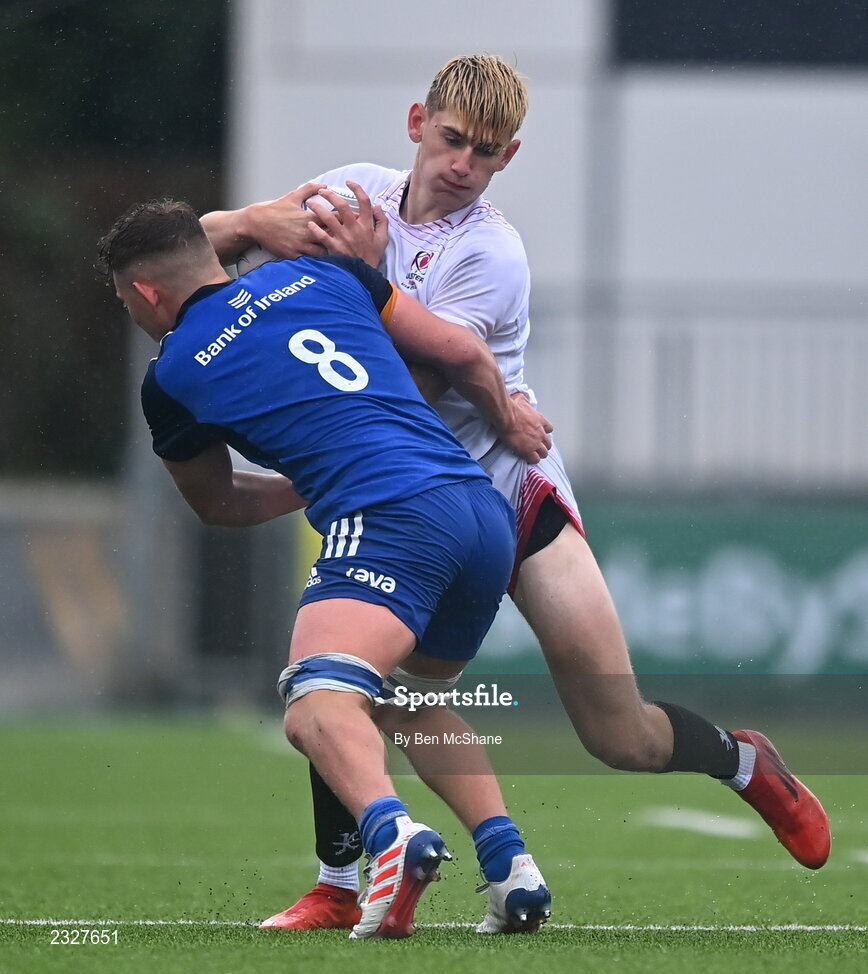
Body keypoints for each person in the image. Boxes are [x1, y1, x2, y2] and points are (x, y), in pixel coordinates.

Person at [201, 53, 831, 932]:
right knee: (361, 671)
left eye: (486, 152)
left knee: (620, 735)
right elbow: (197, 254)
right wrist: (249, 218)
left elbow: (410, 388)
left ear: (509, 159)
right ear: (418, 123)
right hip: (404, 493)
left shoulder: (490, 252)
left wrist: (365, 279)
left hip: (507, 492)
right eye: (454, 140)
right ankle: (340, 883)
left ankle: (744, 764)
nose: (464, 164)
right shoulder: (349, 193)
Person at [96, 198, 555, 939]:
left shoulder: (172, 374)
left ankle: (392, 839)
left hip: (389, 516)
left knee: (314, 703)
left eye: (126, 301)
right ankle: (511, 870)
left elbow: (217, 502)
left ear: (146, 293)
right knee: (401, 699)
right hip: (476, 508)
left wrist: (316, 479)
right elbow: (465, 355)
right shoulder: (328, 277)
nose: (133, 313)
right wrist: (505, 418)